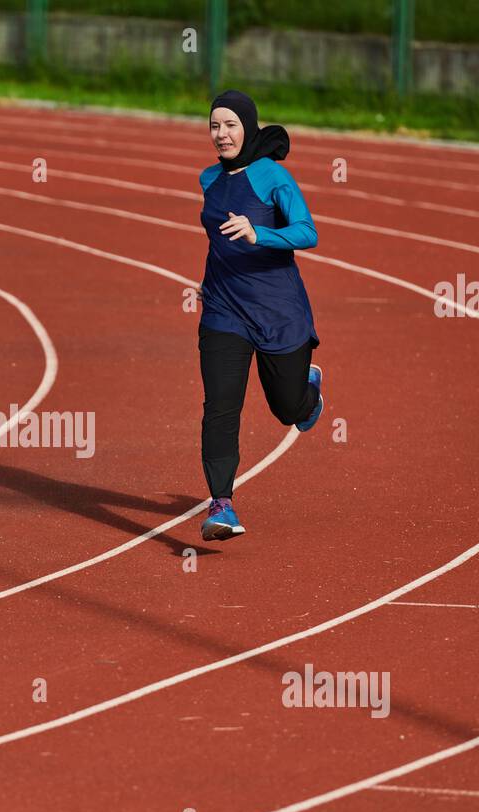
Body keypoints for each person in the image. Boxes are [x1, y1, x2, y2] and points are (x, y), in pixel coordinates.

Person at [196, 89, 323, 542]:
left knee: (287, 409)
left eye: (230, 125)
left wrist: (259, 233)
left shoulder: (272, 176)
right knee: (220, 407)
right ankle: (222, 505)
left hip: (277, 311)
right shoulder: (208, 178)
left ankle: (308, 391)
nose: (222, 134)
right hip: (224, 310)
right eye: (215, 125)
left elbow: (308, 233)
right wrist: (208, 284)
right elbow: (217, 241)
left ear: (248, 127)